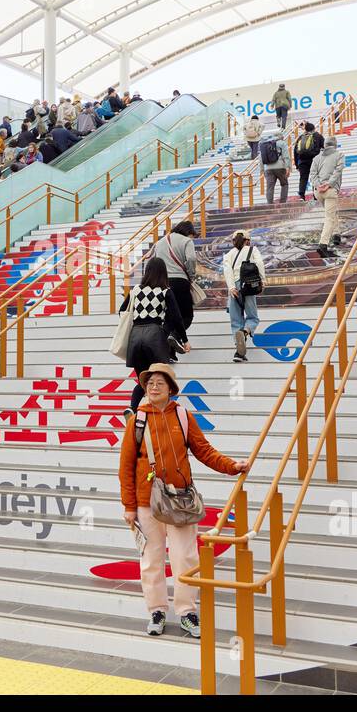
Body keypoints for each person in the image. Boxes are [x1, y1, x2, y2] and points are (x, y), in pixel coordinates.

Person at [118, 363, 248, 638]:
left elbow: (204, 451)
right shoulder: (137, 421)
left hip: (180, 500)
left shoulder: (183, 416)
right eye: (150, 383)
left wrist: (231, 466)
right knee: (151, 559)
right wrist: (129, 506)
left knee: (185, 558)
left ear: (171, 389)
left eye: (159, 384)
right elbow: (126, 466)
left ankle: (187, 611)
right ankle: (156, 610)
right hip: (146, 502)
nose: (153, 387)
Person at [121, 259, 189, 412]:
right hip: (155, 335)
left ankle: (132, 409)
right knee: (160, 378)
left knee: (143, 381)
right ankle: (160, 411)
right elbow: (176, 317)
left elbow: (122, 311)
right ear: (163, 272)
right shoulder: (165, 291)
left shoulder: (136, 290)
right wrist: (183, 339)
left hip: (135, 336)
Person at [223, 230, 266, 363]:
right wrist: (263, 280)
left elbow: (227, 270)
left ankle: (239, 352)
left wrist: (231, 287)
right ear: (248, 240)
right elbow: (259, 264)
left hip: (235, 287)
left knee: (236, 319)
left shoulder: (229, 254)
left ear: (234, 241)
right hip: (248, 285)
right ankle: (245, 332)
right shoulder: (253, 250)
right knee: (252, 316)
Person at [152, 220, 199, 336]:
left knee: (169, 317)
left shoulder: (159, 242)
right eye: (192, 236)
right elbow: (192, 259)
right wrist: (191, 275)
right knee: (187, 316)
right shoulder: (186, 241)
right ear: (188, 232)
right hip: (180, 281)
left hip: (162, 283)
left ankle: (169, 350)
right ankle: (175, 336)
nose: (192, 238)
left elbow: (153, 262)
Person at [312, 136, 344, 258]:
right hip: (330, 190)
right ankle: (323, 245)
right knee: (329, 217)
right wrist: (328, 184)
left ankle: (336, 235)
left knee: (331, 212)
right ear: (335, 145)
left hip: (318, 191)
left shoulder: (317, 158)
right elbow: (338, 171)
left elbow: (313, 174)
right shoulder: (339, 155)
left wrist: (318, 186)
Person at [294, 121, 323, 200]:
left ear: (305, 129)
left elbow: (295, 152)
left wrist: (296, 164)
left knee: (303, 178)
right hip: (314, 160)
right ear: (313, 128)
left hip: (302, 161)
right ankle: (315, 195)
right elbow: (324, 147)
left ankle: (301, 195)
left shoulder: (300, 137)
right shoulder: (318, 136)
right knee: (314, 177)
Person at [262, 132, 289, 203]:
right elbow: (286, 156)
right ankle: (283, 202)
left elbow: (260, 158)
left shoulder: (265, 144)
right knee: (284, 184)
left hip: (268, 168)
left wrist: (262, 170)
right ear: (281, 137)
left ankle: (270, 203)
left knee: (270, 187)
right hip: (280, 167)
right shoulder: (282, 143)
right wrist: (287, 167)